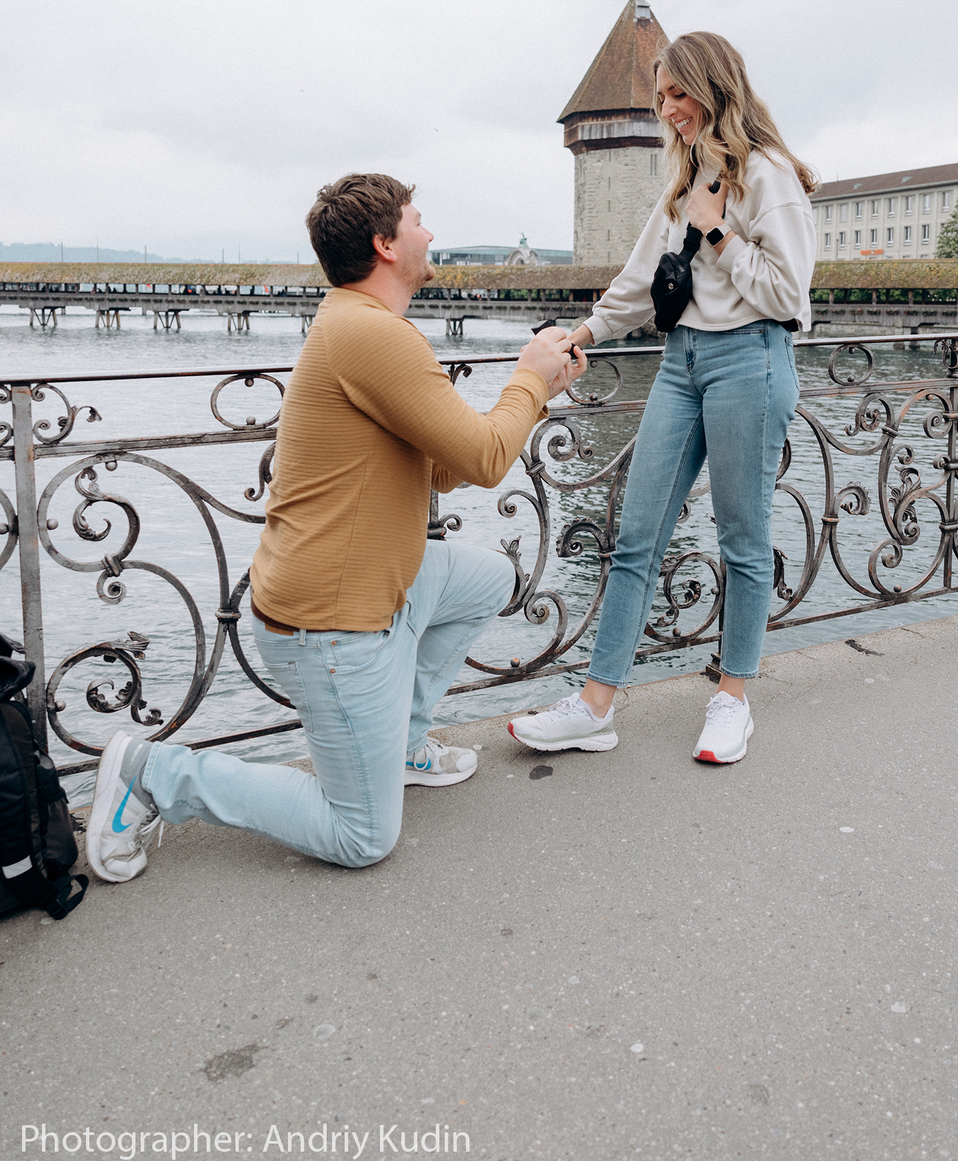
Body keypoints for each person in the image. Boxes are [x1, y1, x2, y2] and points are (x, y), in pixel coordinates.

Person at [87, 174, 585, 881]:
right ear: (386, 244)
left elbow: (446, 470)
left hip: (369, 582)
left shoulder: (361, 324)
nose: (431, 233)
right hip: (328, 620)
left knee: (488, 579)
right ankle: (151, 773)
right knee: (362, 837)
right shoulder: (372, 334)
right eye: (418, 220)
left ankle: (398, 743)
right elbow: (483, 458)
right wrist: (528, 377)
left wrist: (536, 388)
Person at [509, 31, 816, 765]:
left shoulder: (767, 174)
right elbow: (642, 281)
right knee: (636, 536)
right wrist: (581, 333)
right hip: (681, 362)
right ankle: (594, 706)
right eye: (661, 97)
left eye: (679, 93)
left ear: (715, 88)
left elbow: (788, 296)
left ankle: (732, 700)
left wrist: (717, 233)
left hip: (750, 359)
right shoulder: (685, 179)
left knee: (742, 538)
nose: (669, 109)